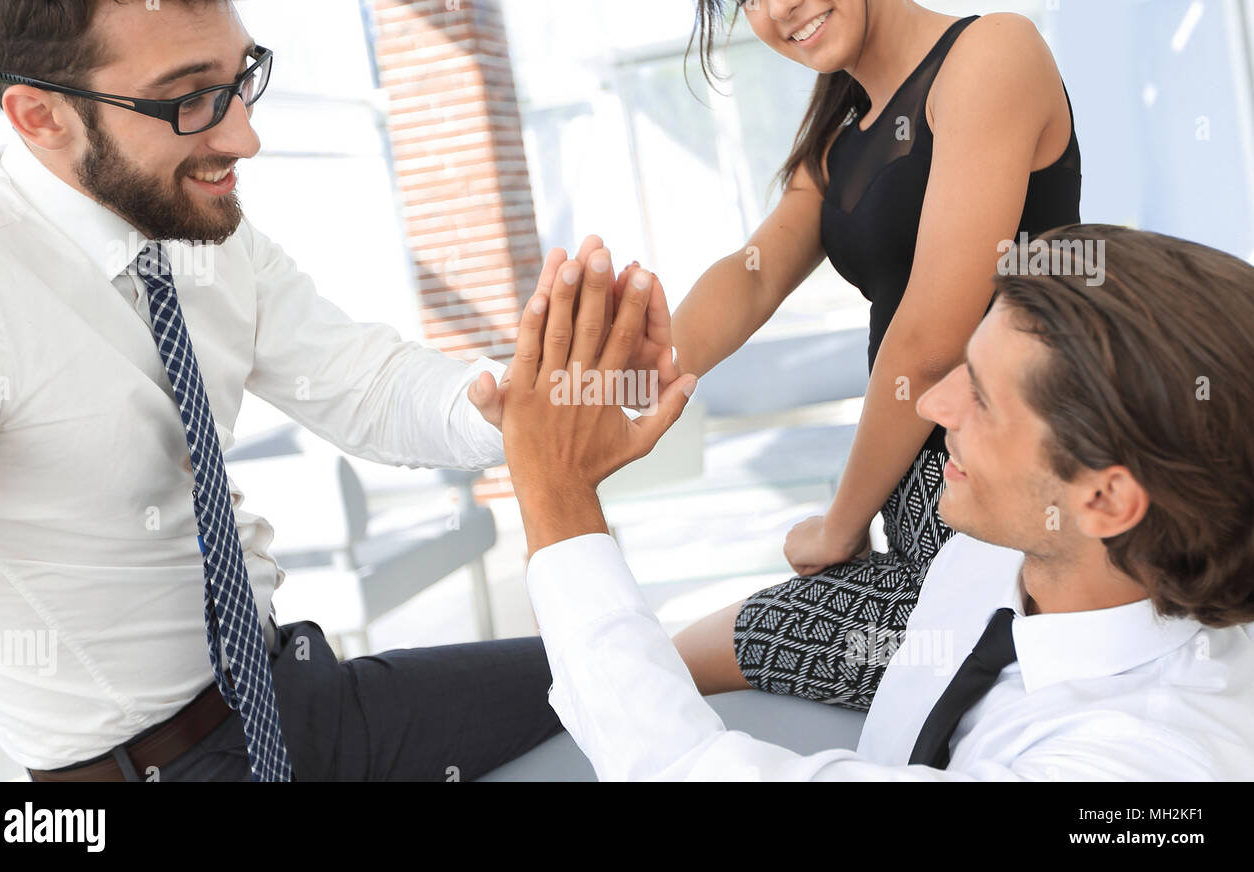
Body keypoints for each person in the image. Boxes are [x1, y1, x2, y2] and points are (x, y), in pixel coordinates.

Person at [0, 0, 577, 781]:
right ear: (40, 116)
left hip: (293, 692)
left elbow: (362, 382)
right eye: (187, 99)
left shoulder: (190, 218)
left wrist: (517, 403)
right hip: (156, 767)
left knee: (627, 672)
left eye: (240, 77)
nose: (244, 135)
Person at [500, 225, 1254, 780]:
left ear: (1107, 500)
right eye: (962, 366)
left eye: (982, 400)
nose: (934, 400)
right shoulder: (995, 558)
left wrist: (556, 490)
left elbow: (686, 768)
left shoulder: (1144, 773)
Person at [664, 1, 1082, 709]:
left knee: (665, 669)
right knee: (657, 667)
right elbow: (757, 273)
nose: (778, 10)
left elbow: (928, 346)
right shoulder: (841, 134)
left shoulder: (990, 53)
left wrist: (839, 524)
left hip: (1009, 514)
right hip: (927, 526)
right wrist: (628, 373)